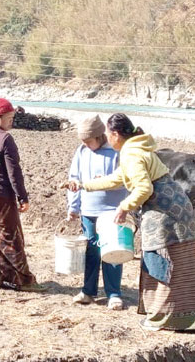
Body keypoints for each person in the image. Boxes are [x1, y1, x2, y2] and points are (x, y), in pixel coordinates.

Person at [64, 113, 195, 332]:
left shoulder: (131, 153)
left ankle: (166, 318)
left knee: (162, 261)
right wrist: (84, 185)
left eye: (107, 134)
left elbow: (144, 188)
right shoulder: (134, 148)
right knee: (176, 263)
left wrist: (124, 207)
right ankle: (182, 318)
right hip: (173, 208)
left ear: (115, 134)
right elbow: (117, 179)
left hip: (165, 212)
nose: (106, 138)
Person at [0, 98, 45, 292]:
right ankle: (25, 280)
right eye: (9, 117)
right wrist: (23, 197)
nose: (12, 121)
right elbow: (14, 173)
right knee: (11, 236)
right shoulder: (5, 139)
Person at [66, 115, 129, 310]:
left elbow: (126, 180)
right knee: (91, 251)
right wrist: (73, 207)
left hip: (111, 211)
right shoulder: (82, 151)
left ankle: (114, 293)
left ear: (99, 136)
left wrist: (108, 181)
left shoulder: (116, 152)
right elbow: (74, 179)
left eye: (88, 140)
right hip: (89, 210)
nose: (85, 143)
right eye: (83, 141)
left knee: (112, 252)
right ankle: (88, 291)